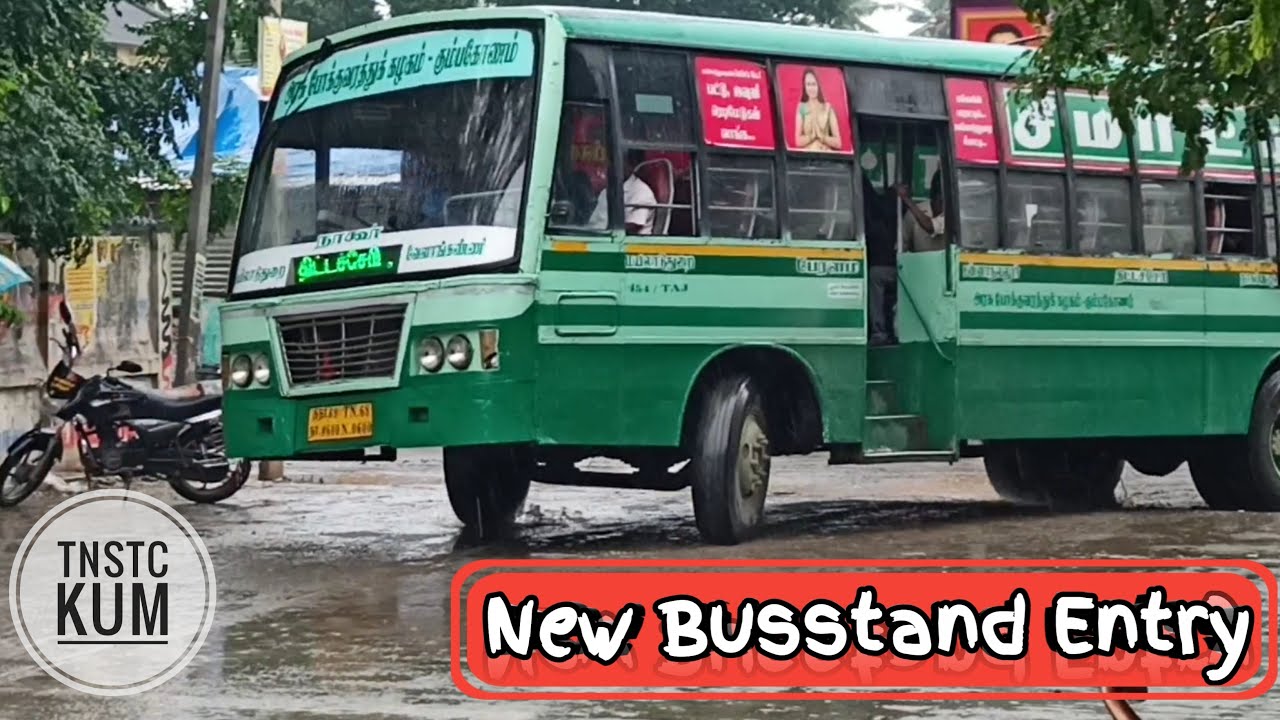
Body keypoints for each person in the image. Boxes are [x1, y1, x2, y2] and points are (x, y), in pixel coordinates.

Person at [864, 174, 899, 345]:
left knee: (875, 274)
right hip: (895, 267)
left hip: (909, 268)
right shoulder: (879, 219)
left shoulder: (904, 216)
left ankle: (880, 331)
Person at [589, 149, 656, 235]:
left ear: (631, 166)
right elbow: (593, 223)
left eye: (616, 163)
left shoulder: (642, 192)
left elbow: (633, 226)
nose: (610, 168)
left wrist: (605, 231)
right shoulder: (607, 190)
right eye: (610, 163)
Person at [794, 68, 842, 152]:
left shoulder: (828, 108)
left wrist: (822, 137)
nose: (811, 88)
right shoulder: (802, 107)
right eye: (808, 84)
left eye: (813, 84)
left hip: (827, 156)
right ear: (804, 87)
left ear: (818, 85)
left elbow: (838, 143)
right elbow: (798, 141)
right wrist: (812, 136)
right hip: (808, 159)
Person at [897, 171, 947, 252]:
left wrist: (906, 198)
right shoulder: (913, 213)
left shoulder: (954, 213)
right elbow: (902, 247)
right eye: (939, 197)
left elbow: (930, 226)